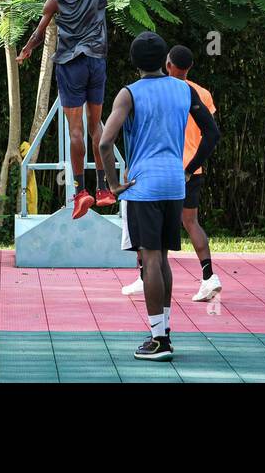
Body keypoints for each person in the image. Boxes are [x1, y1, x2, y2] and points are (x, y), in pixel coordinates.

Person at [17, 0, 159, 219]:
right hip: (96, 61)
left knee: (76, 131)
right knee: (97, 128)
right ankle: (104, 189)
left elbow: (40, 33)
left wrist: (27, 50)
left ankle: (80, 190)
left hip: (70, 65)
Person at [99, 31, 221, 361]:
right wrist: (190, 167)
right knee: (163, 258)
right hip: (174, 183)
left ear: (134, 61)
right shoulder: (184, 89)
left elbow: (104, 143)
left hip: (144, 186)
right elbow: (212, 133)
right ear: (164, 59)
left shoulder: (128, 94)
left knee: (150, 258)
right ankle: (164, 331)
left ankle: (157, 341)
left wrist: (112, 185)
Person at [121, 43, 221, 301]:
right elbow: (210, 131)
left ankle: (146, 277)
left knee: (147, 231)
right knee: (191, 222)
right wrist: (192, 165)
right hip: (189, 169)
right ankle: (209, 275)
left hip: (159, 169)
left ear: (167, 64)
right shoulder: (200, 93)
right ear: (190, 67)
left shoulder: (155, 90)